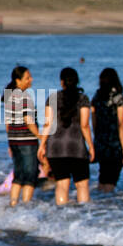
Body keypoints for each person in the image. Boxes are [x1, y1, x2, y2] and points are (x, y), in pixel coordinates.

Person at [41, 67, 94, 205]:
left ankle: (61, 217)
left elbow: (48, 124)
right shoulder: (83, 98)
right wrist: (91, 146)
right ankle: (83, 218)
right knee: (82, 185)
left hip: (55, 148)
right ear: (77, 81)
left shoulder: (52, 98)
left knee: (62, 185)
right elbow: (85, 125)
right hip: (77, 147)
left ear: (62, 82)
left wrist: (41, 145)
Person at [3, 66, 40, 205]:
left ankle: (13, 204)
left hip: (14, 140)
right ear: (18, 80)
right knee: (30, 176)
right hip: (27, 141)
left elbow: (7, 122)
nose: (31, 79)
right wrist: (40, 136)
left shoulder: (9, 96)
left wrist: (9, 142)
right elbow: (28, 120)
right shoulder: (24, 97)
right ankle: (25, 207)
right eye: (28, 78)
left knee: (18, 175)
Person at [91, 68, 123, 192]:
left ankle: (101, 205)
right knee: (112, 179)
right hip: (114, 144)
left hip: (101, 142)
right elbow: (120, 124)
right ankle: (108, 206)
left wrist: (96, 140)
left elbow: (94, 123)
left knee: (103, 177)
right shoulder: (119, 98)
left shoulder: (96, 97)